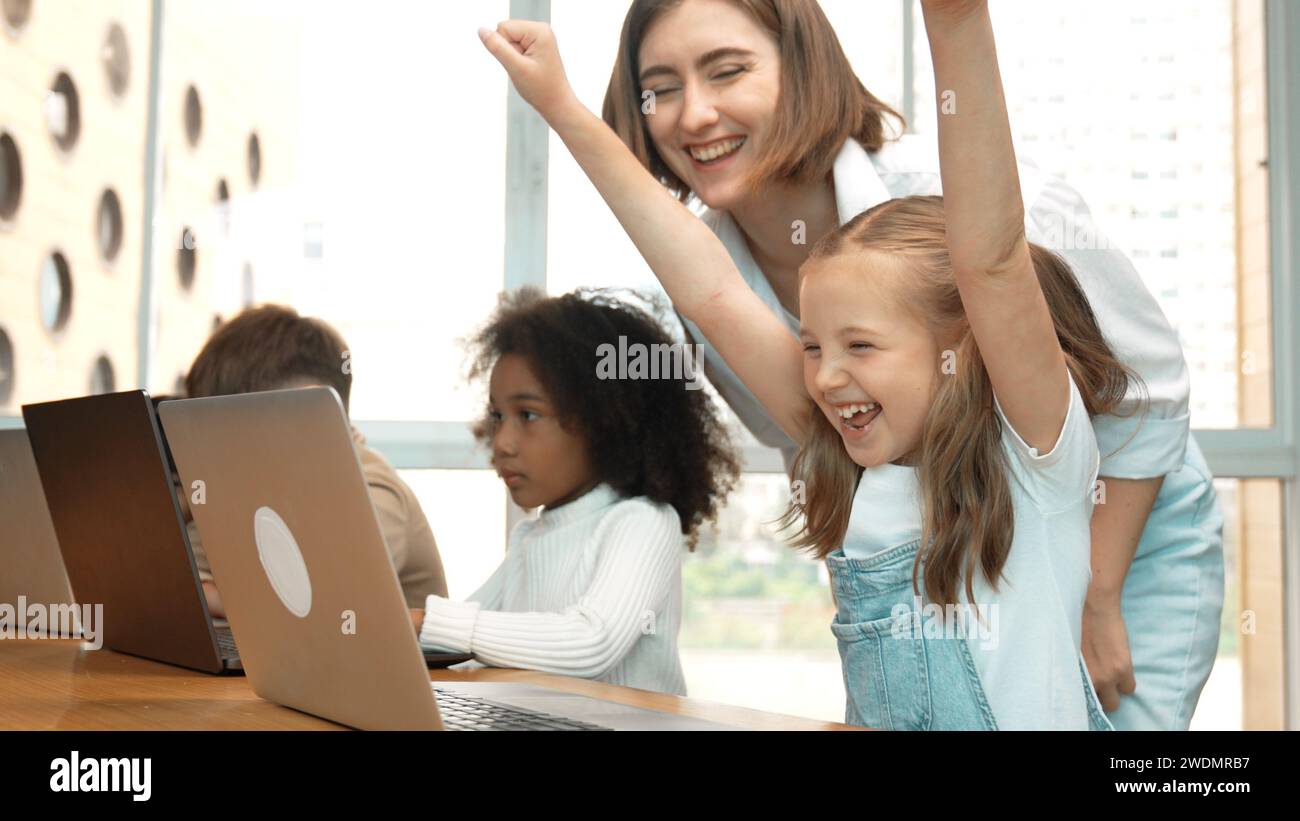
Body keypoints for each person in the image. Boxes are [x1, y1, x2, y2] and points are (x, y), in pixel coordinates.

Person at [552, 0, 1219, 729]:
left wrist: (957, 24)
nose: (826, 376)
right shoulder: (851, 460)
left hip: (1135, 517)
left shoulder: (1037, 464)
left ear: (962, 351)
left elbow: (991, 261)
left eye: (860, 346)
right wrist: (560, 106)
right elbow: (711, 291)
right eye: (810, 347)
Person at [411, 288, 739, 695]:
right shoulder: (532, 536)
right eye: (497, 416)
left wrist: (429, 621)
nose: (502, 443)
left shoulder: (641, 521)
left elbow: (592, 642)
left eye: (528, 415)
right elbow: (454, 633)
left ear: (605, 421)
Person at [181, 304, 448, 613]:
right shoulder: (248, 483)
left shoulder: (373, 489)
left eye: (232, 432)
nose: (218, 452)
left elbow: (316, 600)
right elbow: (184, 579)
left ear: (306, 412)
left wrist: (216, 597)